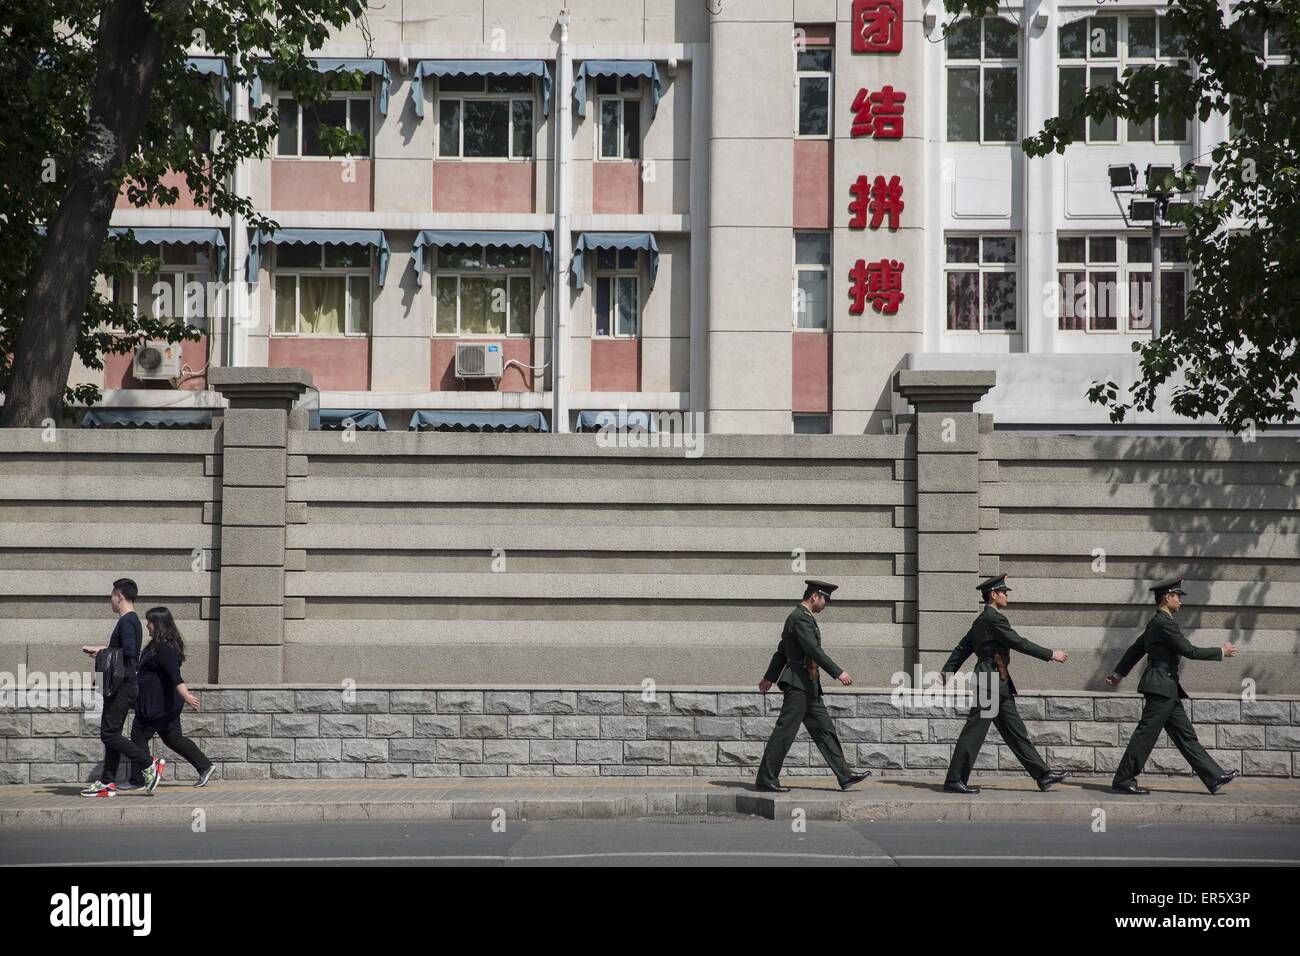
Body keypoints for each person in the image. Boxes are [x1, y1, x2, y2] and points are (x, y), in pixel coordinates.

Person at [940, 574, 1072, 795]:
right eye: (1004, 592)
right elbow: (1018, 642)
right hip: (990, 680)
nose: (1007, 596)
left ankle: (1042, 774)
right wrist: (1051, 654)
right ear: (993, 595)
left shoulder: (981, 620)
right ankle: (954, 780)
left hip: (997, 682)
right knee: (974, 732)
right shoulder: (994, 619)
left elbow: (963, 648)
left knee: (1016, 731)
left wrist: (947, 671)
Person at [1107, 578, 1240, 795]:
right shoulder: (1163, 623)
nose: (1180, 601)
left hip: (1166, 687)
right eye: (1178, 596)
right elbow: (1189, 650)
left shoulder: (1155, 623)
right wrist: (1220, 652)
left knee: (1185, 736)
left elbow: (1135, 649)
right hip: (1161, 687)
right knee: (1146, 734)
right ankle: (1123, 779)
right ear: (1167, 597)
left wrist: (1118, 673)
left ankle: (1213, 776)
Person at [754, 579, 871, 793]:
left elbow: (782, 651)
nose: (826, 604)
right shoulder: (799, 618)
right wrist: (838, 672)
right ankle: (766, 779)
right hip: (799, 685)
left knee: (825, 730)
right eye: (825, 599)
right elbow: (812, 650)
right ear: (814, 596)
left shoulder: (802, 618)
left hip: (809, 684)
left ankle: (845, 776)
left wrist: (769, 677)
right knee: (785, 732)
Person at [80, 579, 165, 797]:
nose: (110, 600)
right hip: (124, 685)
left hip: (122, 686)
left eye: (111, 596)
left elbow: (128, 654)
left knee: (108, 734)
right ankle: (108, 782)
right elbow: (123, 651)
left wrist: (101, 653)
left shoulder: (127, 621)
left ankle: (149, 764)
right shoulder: (132, 621)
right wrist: (101, 649)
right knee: (113, 733)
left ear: (119, 596)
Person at [124, 607, 213, 790]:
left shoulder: (164, 648)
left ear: (157, 624)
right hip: (162, 705)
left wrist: (186, 695)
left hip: (156, 707)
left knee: (138, 737)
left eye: (149, 622)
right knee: (173, 738)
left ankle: (140, 778)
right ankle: (205, 766)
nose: (147, 625)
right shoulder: (157, 645)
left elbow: (175, 676)